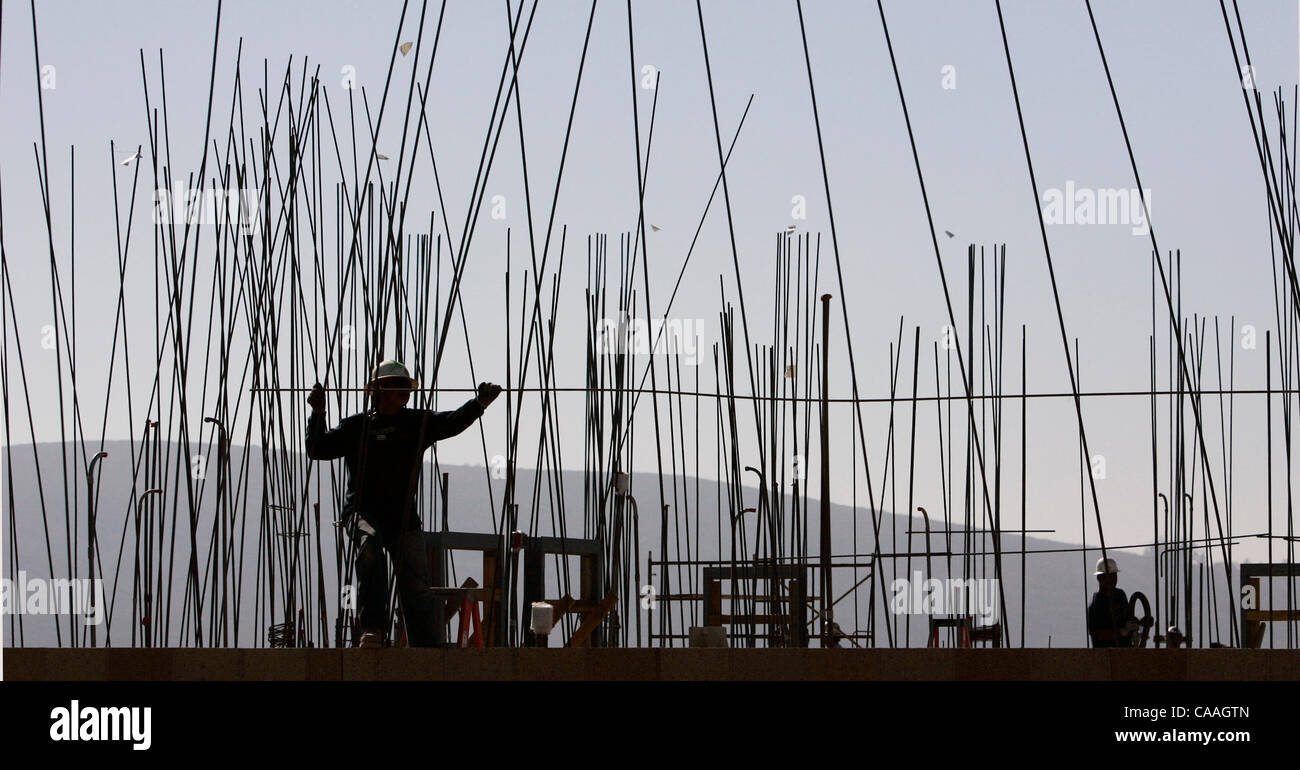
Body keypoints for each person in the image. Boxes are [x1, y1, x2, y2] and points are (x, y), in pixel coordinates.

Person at [305, 359, 501, 648]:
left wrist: (478, 404)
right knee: (369, 550)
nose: (405, 394)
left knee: (417, 586)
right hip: (363, 512)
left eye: (407, 389)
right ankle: (372, 629)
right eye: (398, 388)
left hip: (402, 517)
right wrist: (318, 413)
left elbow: (451, 422)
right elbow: (317, 448)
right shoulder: (357, 427)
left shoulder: (417, 423)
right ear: (380, 389)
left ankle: (426, 649)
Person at [1087, 557, 1139, 648]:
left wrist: (1139, 622)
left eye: (1114, 576)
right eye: (1109, 577)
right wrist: (1121, 632)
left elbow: (1127, 617)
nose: (1112, 580)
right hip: (1105, 655)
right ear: (1099, 578)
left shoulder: (1120, 595)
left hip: (1124, 652)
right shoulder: (1095, 605)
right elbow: (1099, 634)